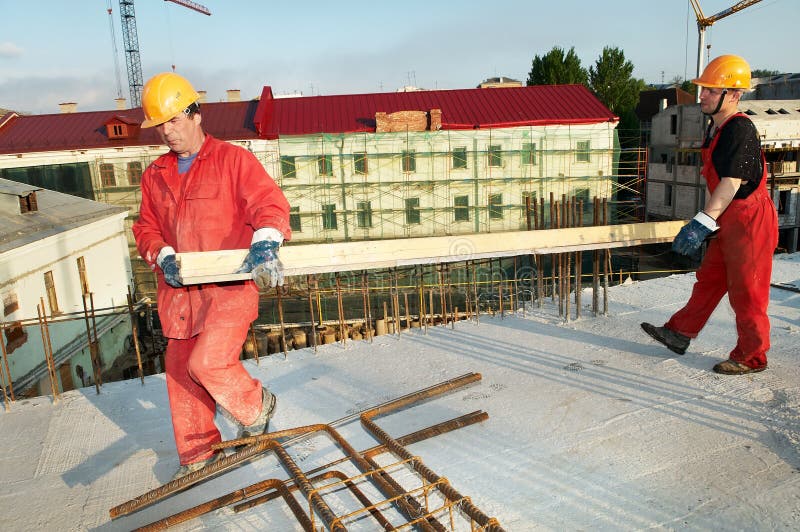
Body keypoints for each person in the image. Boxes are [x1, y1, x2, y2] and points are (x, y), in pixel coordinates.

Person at [132, 72, 292, 480]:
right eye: (160, 125)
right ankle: (199, 455)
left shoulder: (233, 160)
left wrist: (267, 239)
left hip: (227, 290)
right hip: (180, 295)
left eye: (174, 121)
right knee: (181, 371)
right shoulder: (155, 175)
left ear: (196, 114)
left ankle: (256, 405)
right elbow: (146, 227)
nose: (167, 132)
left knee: (208, 363)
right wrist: (161, 253)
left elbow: (268, 203)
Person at [641, 55, 778, 375]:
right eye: (703, 89)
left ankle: (752, 355)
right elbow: (717, 180)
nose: (701, 95)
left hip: (749, 222)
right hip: (729, 220)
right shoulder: (716, 128)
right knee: (710, 279)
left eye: (710, 91)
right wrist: (709, 220)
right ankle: (679, 333)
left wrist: (701, 222)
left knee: (747, 291)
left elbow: (731, 182)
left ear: (733, 94)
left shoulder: (739, 129)